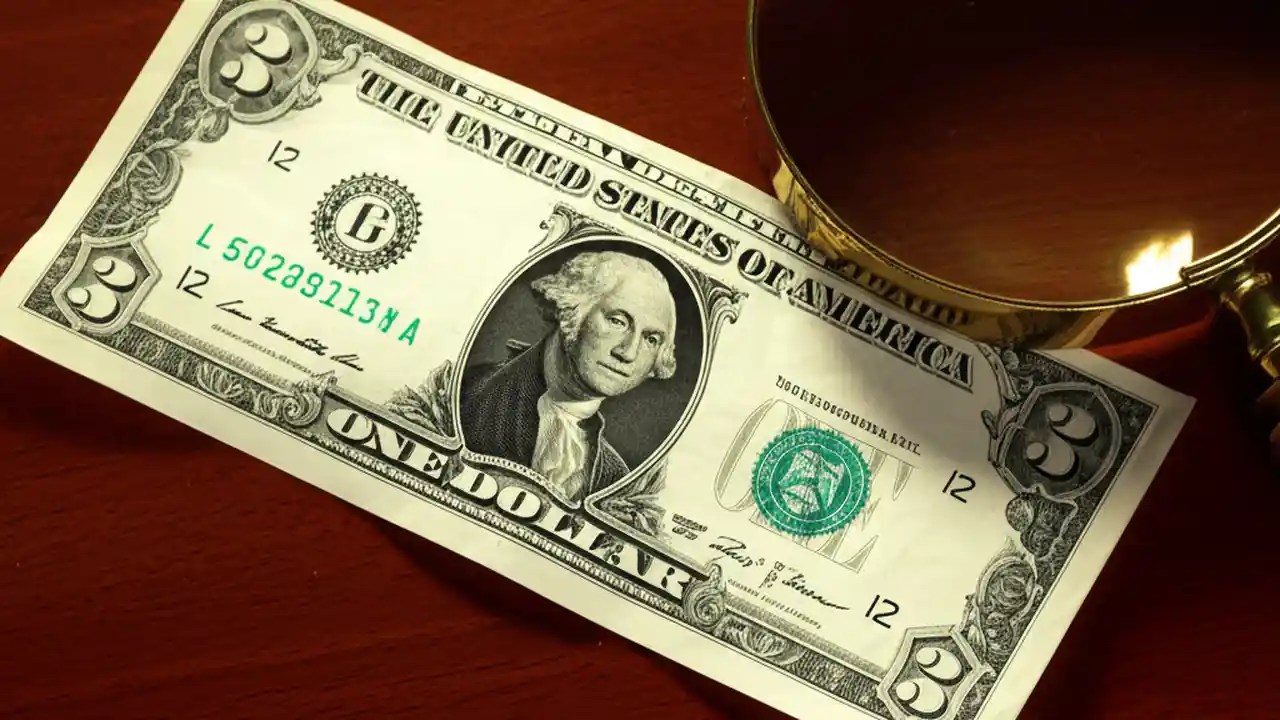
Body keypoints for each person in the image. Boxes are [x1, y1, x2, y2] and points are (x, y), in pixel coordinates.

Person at [460, 250, 678, 506]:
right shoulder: (467, 393)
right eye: (617, 321)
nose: (628, 352)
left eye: (651, 339)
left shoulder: (613, 477)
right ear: (573, 310)